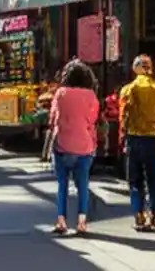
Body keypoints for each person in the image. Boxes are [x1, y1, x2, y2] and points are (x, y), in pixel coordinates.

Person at [120, 54, 155, 232]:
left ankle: (139, 216)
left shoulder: (128, 89)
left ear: (135, 68)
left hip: (135, 137)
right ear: (150, 68)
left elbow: (124, 117)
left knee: (135, 180)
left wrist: (122, 137)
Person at [49, 59, 100, 236]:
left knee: (62, 185)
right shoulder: (91, 96)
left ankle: (61, 221)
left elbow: (53, 119)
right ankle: (81, 222)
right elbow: (93, 121)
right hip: (85, 146)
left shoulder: (60, 93)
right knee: (83, 185)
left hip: (62, 145)